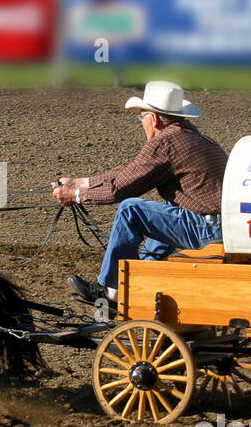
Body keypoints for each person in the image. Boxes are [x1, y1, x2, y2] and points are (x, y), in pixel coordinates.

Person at [55, 81, 228, 306]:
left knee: (132, 209)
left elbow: (120, 189)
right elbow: (129, 173)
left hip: (207, 230)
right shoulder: (193, 138)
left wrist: (75, 196)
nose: (142, 123)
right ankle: (140, 277)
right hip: (222, 227)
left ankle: (112, 291)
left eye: (141, 117)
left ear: (153, 119)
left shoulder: (166, 142)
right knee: (168, 212)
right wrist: (79, 183)